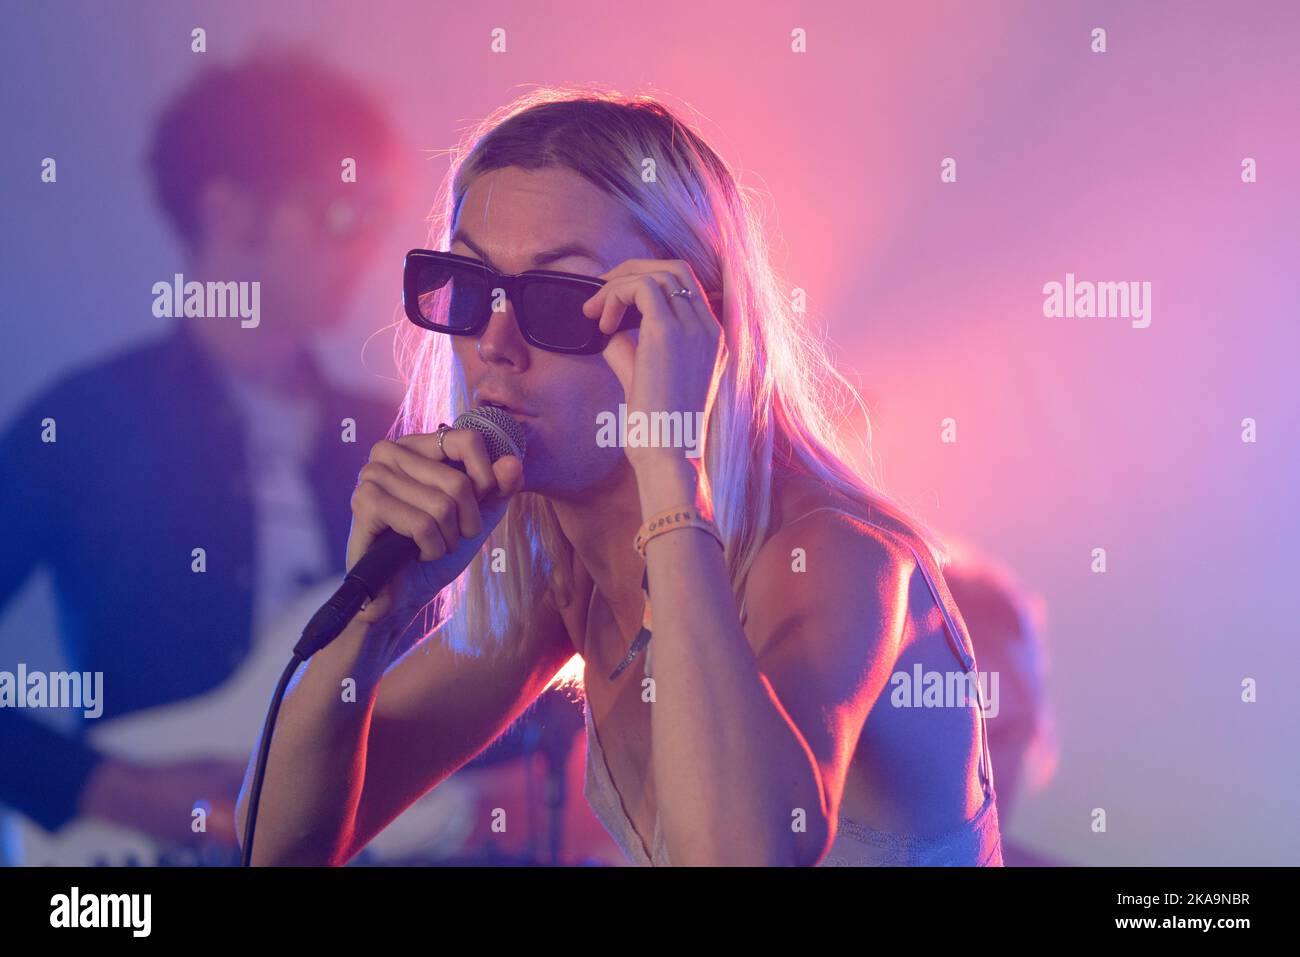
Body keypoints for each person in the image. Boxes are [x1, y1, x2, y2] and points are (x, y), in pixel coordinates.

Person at [236, 88, 1004, 866]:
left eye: (559, 301)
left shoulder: (835, 556)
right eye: (468, 289)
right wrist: (368, 619)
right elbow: (275, 849)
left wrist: (668, 465)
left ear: (690, 330)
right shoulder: (565, 575)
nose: (495, 342)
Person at [0, 46, 405, 863]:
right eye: (337, 215)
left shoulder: (398, 435)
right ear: (233, 216)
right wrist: (106, 788)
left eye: (376, 219)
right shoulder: (84, 421)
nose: (365, 248)